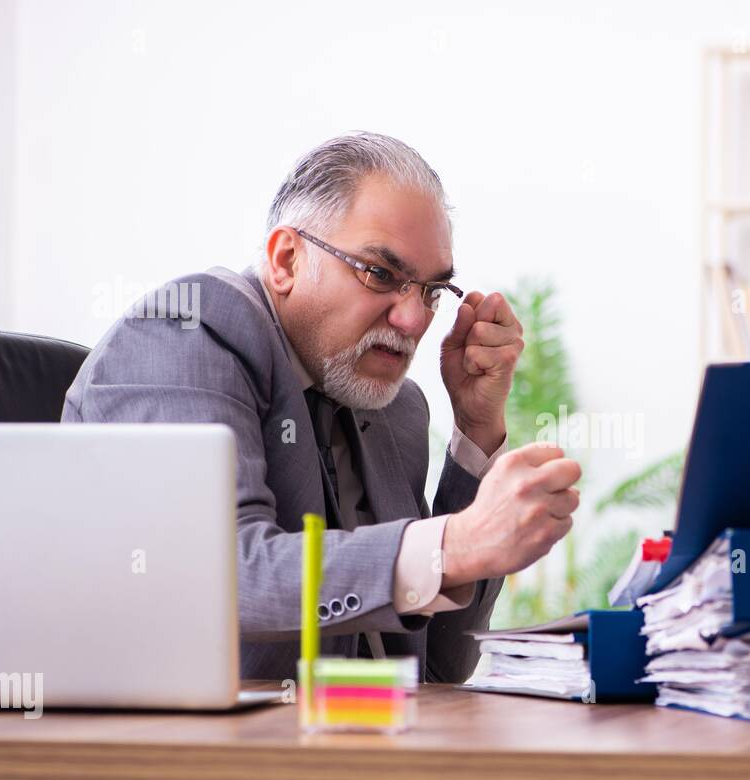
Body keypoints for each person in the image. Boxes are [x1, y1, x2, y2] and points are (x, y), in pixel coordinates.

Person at [63, 132, 580, 682]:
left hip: (358, 748)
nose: (412, 319)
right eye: (380, 274)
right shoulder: (186, 330)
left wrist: (476, 431)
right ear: (286, 259)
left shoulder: (397, 411)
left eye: (430, 290)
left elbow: (441, 665)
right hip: (180, 756)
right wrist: (454, 545)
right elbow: (218, 575)